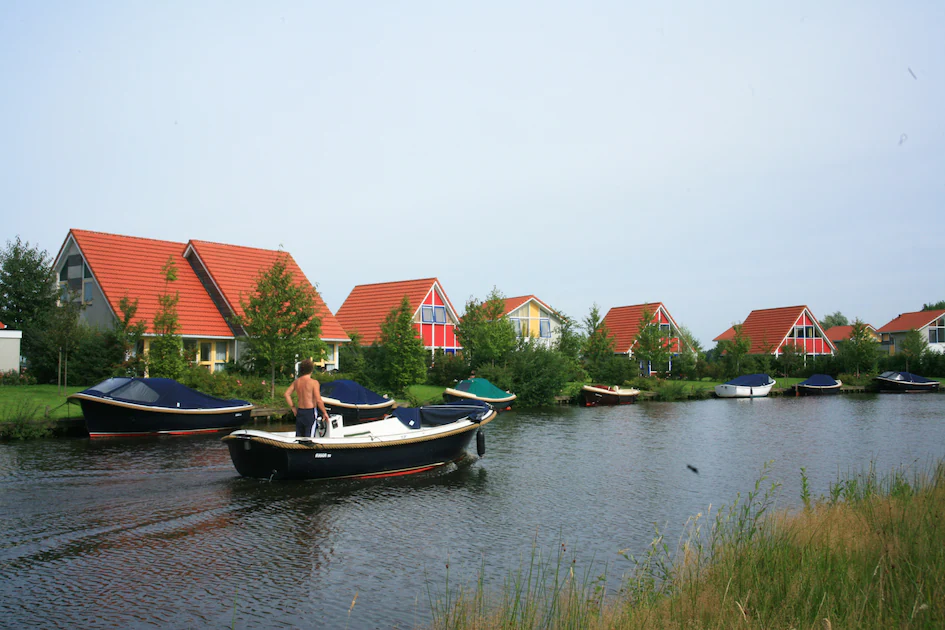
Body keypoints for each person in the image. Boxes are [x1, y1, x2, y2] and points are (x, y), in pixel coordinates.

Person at [284, 358, 331, 438]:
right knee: (309, 437)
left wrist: (293, 408)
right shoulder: (314, 382)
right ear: (311, 369)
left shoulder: (297, 382)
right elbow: (318, 400)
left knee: (299, 437)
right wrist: (324, 413)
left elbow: (286, 394)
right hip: (310, 412)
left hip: (300, 411)